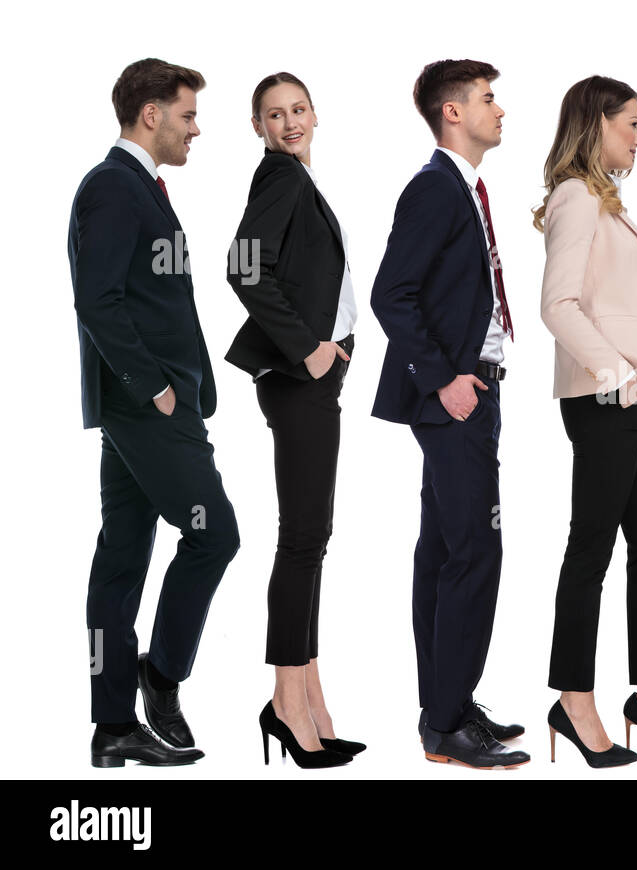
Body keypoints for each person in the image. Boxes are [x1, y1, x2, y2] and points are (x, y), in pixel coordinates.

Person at [68, 58, 239, 767]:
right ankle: (160, 676)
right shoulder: (113, 189)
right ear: (151, 115)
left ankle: (113, 729)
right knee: (214, 535)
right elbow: (97, 300)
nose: (195, 129)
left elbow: (158, 300)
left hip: (150, 409)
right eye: (188, 115)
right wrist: (155, 390)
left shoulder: (140, 189)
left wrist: (188, 388)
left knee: (121, 559)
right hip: (146, 410)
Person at [534, 75, 637, 768]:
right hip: (605, 397)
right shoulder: (576, 197)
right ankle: (574, 699)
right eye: (629, 122)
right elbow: (557, 304)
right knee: (592, 548)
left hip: (622, 398)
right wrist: (618, 372)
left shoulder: (601, 197)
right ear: (596, 124)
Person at [371, 59, 528, 770]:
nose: (500, 109)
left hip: (476, 394)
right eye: (488, 99)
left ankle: (449, 707)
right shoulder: (435, 189)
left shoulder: (464, 190)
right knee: (475, 551)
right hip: (457, 400)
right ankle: (445, 724)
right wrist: (443, 382)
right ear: (452, 113)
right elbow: (389, 295)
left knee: (442, 552)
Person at [226, 72, 363, 769]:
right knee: (303, 539)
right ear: (259, 125)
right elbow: (244, 266)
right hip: (296, 378)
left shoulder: (296, 181)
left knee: (312, 536)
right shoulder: (280, 176)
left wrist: (328, 354)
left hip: (312, 380)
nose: (288, 123)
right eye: (273, 115)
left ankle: (309, 694)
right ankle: (286, 702)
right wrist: (308, 349)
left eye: (298, 110)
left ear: (315, 113)